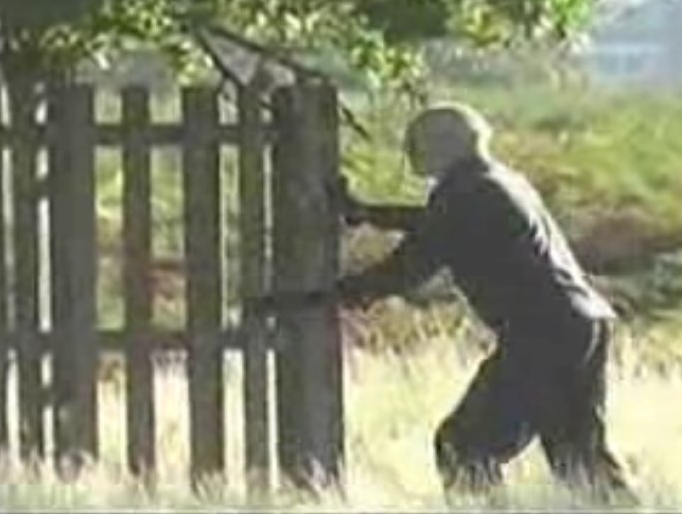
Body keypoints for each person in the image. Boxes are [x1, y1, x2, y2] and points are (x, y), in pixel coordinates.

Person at [261, 103, 639, 506]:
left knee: (464, 447)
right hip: (582, 323)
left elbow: (407, 267)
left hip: (542, 333)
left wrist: (316, 298)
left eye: (416, 145)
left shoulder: (466, 193)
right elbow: (435, 222)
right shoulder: (495, 181)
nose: (409, 155)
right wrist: (367, 213)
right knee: (579, 459)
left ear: (443, 146)